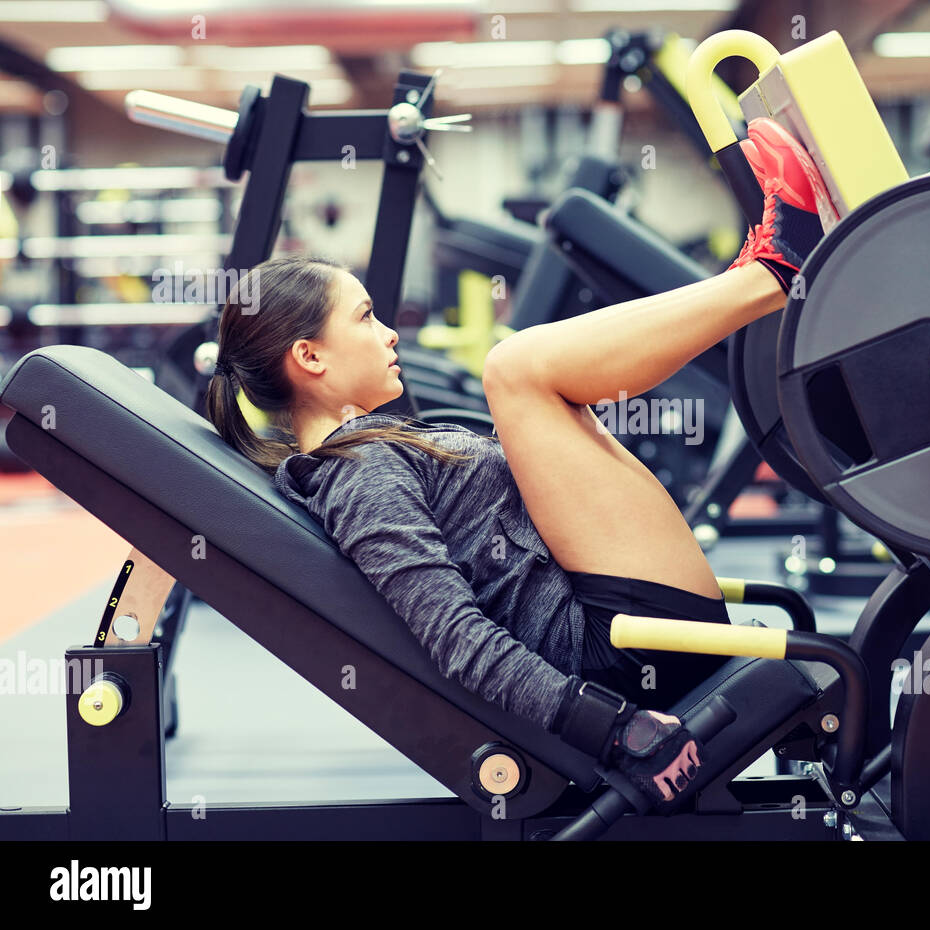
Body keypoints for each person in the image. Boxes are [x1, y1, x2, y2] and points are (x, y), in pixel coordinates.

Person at [204, 117, 837, 814]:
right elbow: (454, 637)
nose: (388, 333)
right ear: (310, 358)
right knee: (513, 370)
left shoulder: (371, 450)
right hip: (619, 657)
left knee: (534, 382)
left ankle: (764, 272)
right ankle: (775, 271)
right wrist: (612, 728)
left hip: (626, 626)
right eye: (363, 318)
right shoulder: (360, 477)